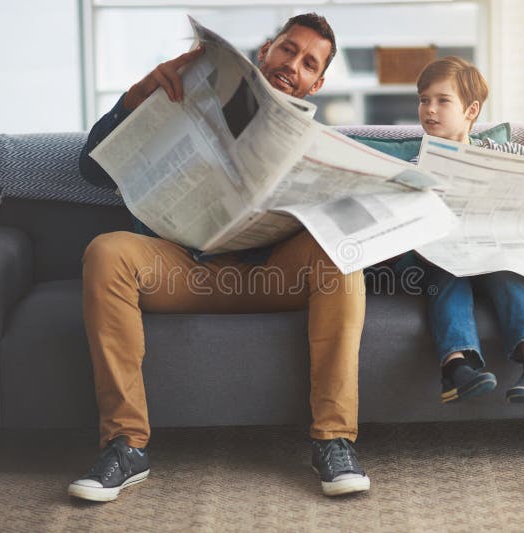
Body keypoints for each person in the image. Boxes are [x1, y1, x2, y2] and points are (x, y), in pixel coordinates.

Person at [69, 13, 371, 502]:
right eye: (288, 49)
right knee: (106, 252)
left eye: (308, 63)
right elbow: (92, 170)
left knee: (342, 254)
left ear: (316, 84)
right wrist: (137, 95)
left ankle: (333, 440)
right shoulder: (185, 94)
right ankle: (125, 445)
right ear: (266, 50)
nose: (293, 64)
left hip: (269, 276)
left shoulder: (316, 144)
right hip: (184, 271)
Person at [406, 57, 524, 405]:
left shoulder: (499, 152)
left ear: (471, 110)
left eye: (442, 100)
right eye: (424, 100)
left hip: (493, 254)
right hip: (443, 260)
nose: (430, 109)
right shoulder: (416, 165)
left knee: (508, 278)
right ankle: (457, 368)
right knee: (447, 279)